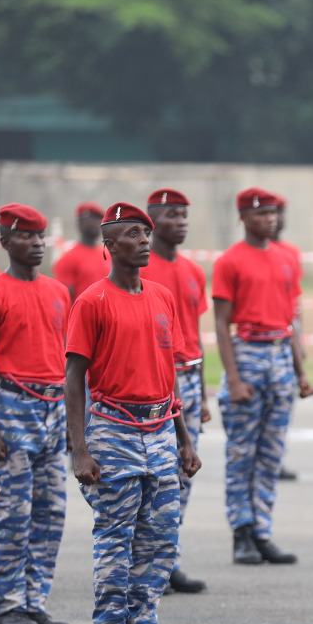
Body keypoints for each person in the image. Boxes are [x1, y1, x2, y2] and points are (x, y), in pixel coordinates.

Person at [65, 202, 201, 624]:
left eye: (146, 233)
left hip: (160, 430)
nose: (144, 240)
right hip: (113, 430)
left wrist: (185, 438)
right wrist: (79, 448)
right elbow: (74, 379)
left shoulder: (162, 297)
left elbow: (170, 375)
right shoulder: (92, 301)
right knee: (115, 545)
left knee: (159, 544)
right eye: (132, 234)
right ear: (110, 246)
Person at [0, 203, 73, 624]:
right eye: (25, 237)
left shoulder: (58, 291)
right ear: (5, 242)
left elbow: (67, 362)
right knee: (13, 512)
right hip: (13, 404)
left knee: (50, 511)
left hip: (53, 408)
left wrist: (74, 424)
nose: (35, 244)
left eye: (40, 237)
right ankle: (9, 604)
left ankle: (37, 600)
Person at [212, 188, 312, 565]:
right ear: (243, 218)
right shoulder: (229, 261)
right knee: (242, 452)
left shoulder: (286, 260)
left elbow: (289, 323)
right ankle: (241, 531)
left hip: (280, 357)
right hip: (247, 353)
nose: (269, 220)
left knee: (271, 454)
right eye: (261, 214)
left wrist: (301, 372)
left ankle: (263, 530)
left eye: (273, 213)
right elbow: (222, 324)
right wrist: (233, 379)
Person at [141, 188, 209, 594]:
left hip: (188, 376)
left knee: (184, 474)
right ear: (152, 222)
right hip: (156, 380)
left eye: (185, 214)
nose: (181, 221)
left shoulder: (194, 271)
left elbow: (194, 335)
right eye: (172, 214)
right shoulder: (142, 270)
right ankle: (150, 562)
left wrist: (201, 394)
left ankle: (169, 560)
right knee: (156, 477)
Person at [268, 192, 304, 484]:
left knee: (285, 401)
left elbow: (295, 303)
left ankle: (276, 457)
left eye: (280, 212)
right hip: (260, 342)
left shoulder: (290, 253)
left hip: (285, 338)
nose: (277, 218)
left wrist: (299, 343)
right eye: (272, 212)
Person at [54, 203, 108, 301]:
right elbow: (65, 299)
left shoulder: (108, 254)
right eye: (92, 219)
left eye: (99, 220)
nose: (96, 223)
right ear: (80, 223)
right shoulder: (68, 259)